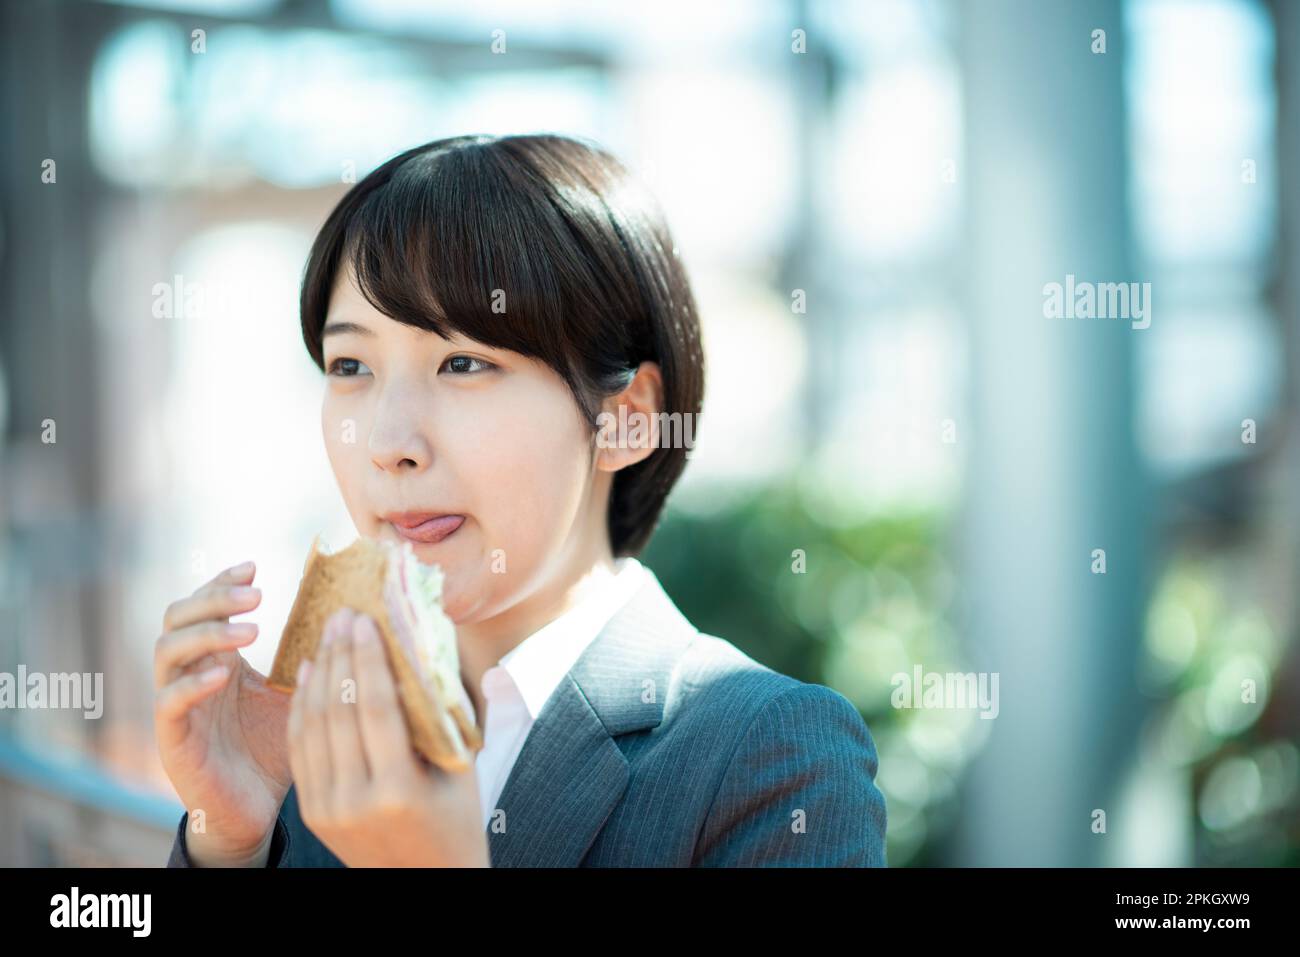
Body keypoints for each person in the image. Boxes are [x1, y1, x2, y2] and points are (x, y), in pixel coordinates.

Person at [154, 133, 887, 867]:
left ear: (627, 416)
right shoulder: (330, 736)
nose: (388, 440)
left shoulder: (777, 760)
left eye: (462, 361)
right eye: (351, 364)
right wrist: (232, 839)